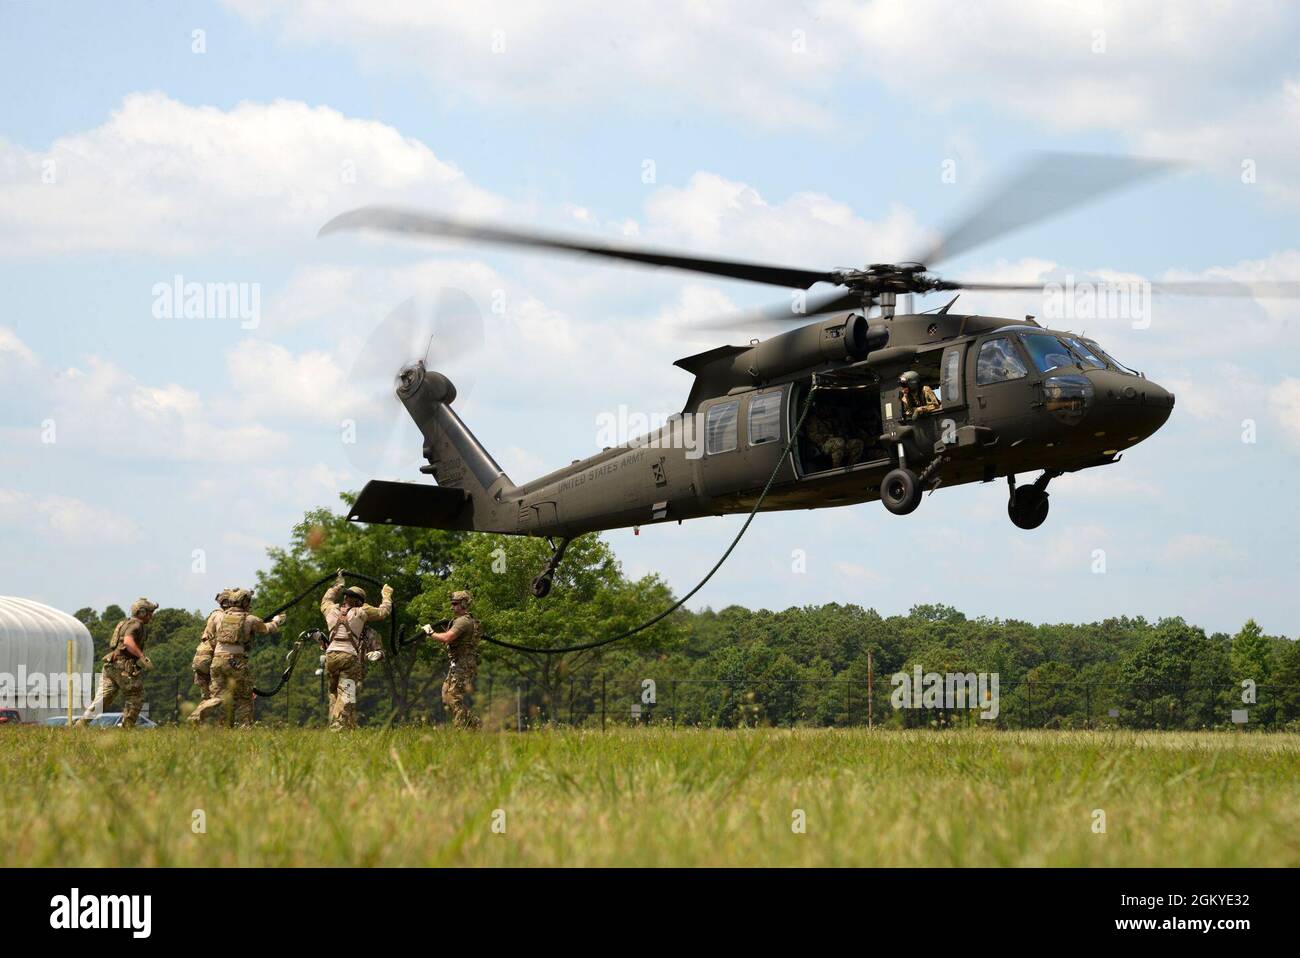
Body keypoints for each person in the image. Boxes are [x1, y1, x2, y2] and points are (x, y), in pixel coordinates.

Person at [189, 589, 285, 727]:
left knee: (219, 697)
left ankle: (203, 712)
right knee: (244, 696)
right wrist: (276, 621)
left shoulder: (218, 617)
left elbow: (210, 636)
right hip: (236, 661)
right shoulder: (250, 618)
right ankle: (245, 727)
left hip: (216, 661)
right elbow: (267, 629)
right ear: (245, 602)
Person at [319, 572, 393, 730]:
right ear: (359, 601)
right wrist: (386, 596)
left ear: (345, 598)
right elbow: (383, 612)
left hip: (331, 657)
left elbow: (326, 600)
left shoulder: (331, 610)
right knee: (346, 695)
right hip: (349, 659)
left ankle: (346, 728)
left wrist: (338, 585)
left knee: (335, 694)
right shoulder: (361, 611)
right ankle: (338, 727)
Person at [77, 597, 159, 728]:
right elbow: (128, 641)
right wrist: (142, 657)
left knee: (103, 699)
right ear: (142, 612)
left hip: (111, 665)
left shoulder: (126, 623)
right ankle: (127, 727)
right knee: (136, 695)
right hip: (122, 666)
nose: (151, 615)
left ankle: (80, 725)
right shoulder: (136, 625)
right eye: (150, 612)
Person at [422, 590, 482, 730]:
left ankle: (461, 729)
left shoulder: (463, 622)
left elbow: (447, 638)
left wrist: (430, 632)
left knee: (454, 697)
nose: (452, 607)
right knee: (446, 696)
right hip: (457, 664)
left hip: (463, 664)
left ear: (463, 604)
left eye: (455, 604)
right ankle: (474, 724)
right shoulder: (462, 621)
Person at [192, 588, 236, 699]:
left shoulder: (215, 614)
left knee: (208, 697)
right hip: (209, 658)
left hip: (203, 658)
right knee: (218, 696)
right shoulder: (220, 616)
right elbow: (224, 637)